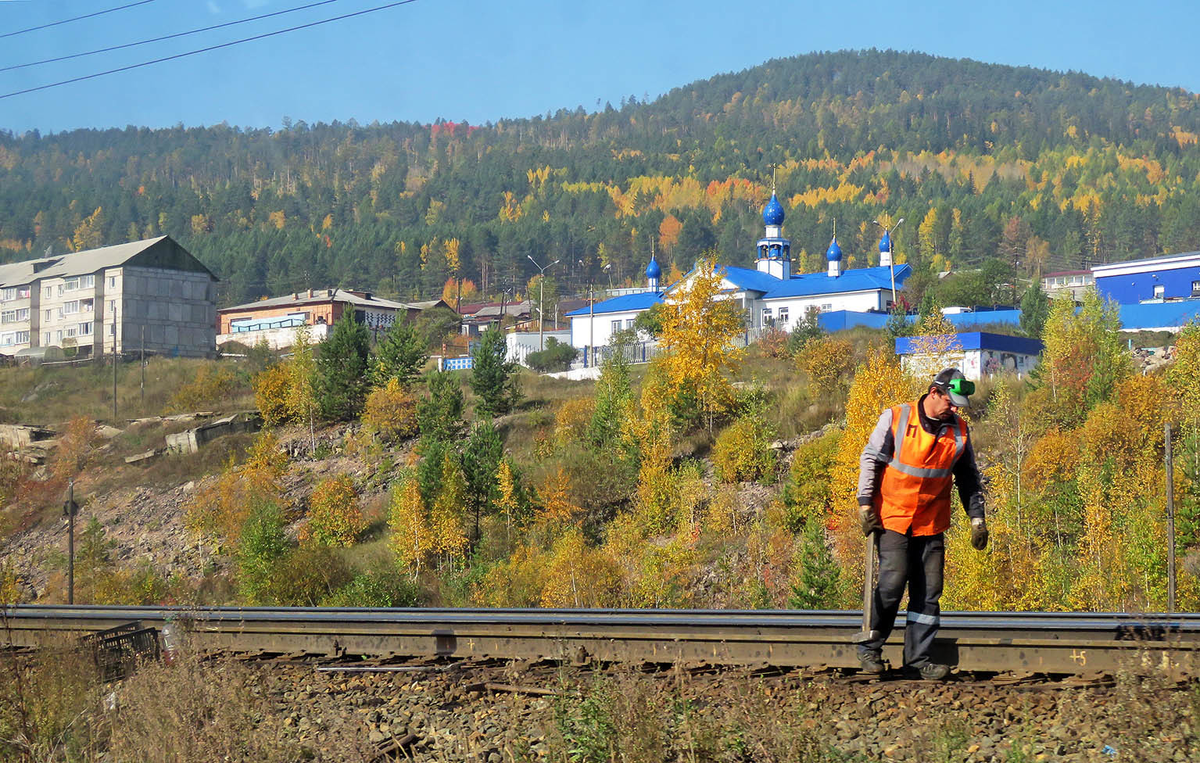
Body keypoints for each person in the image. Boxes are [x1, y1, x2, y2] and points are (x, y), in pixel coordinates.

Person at [856, 367, 988, 680]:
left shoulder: (958, 431)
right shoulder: (897, 418)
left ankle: (917, 659)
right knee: (891, 584)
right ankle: (870, 648)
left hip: (931, 522)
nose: (955, 408)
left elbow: (968, 477)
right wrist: (864, 505)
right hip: (893, 517)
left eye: (959, 404)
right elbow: (870, 459)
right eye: (951, 401)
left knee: (928, 591)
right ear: (934, 393)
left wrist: (977, 518)